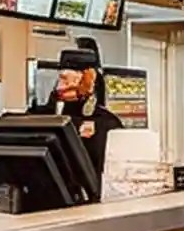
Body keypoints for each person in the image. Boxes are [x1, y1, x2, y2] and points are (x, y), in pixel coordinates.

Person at [29, 43, 123, 176]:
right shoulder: (43, 117)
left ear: (87, 81)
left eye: (65, 80)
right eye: (59, 80)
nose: (59, 88)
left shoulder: (108, 123)